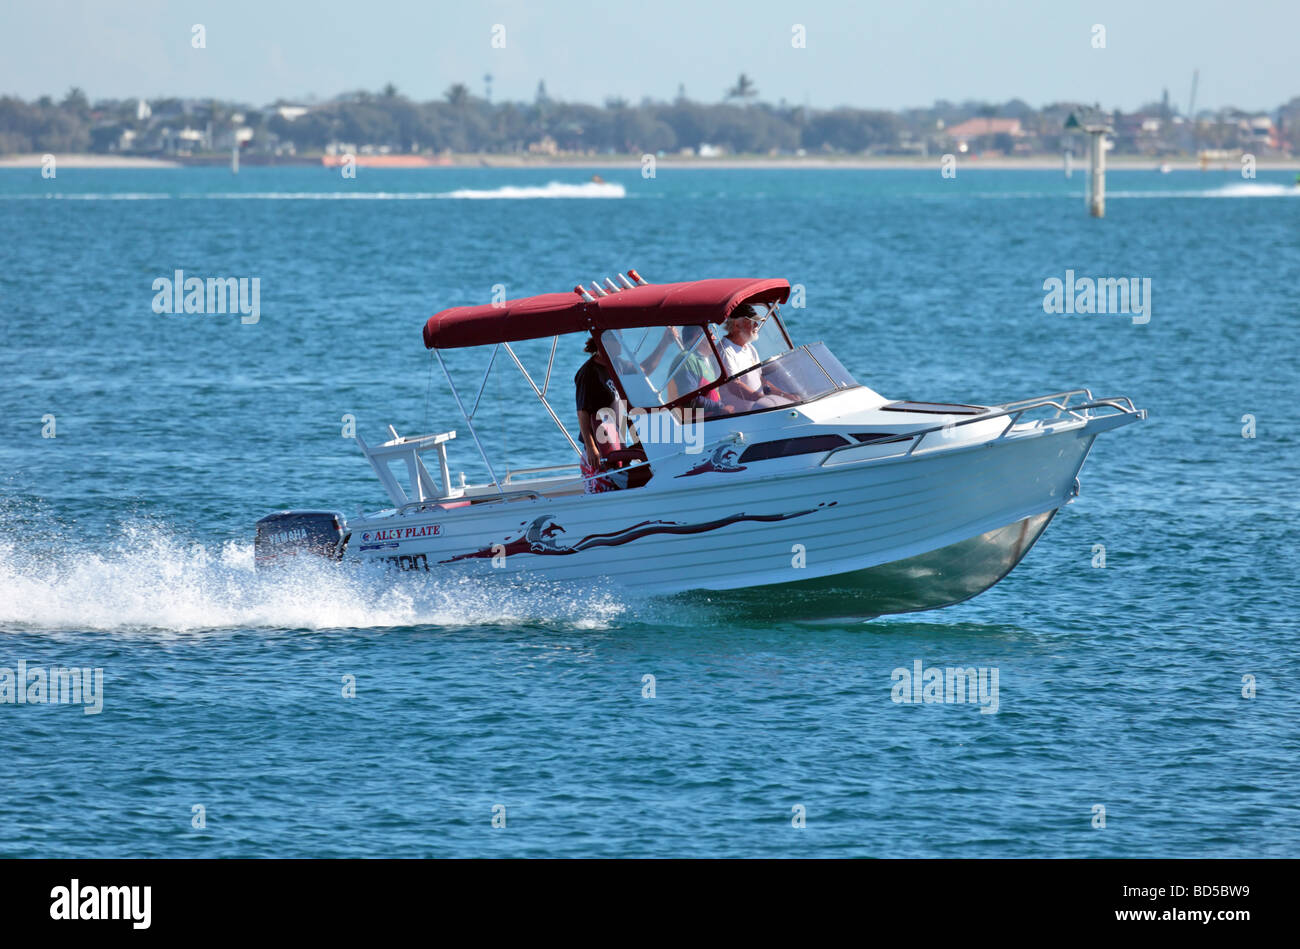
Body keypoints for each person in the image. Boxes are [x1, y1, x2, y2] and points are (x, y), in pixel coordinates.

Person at [574, 335, 629, 492]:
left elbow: (644, 369)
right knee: (601, 493)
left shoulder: (615, 364)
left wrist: (664, 343)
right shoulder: (588, 373)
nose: (622, 344)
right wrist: (591, 447)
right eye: (618, 341)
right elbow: (582, 411)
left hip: (614, 440)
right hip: (598, 448)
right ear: (605, 343)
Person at [716, 305, 795, 412]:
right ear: (737, 325)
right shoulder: (725, 351)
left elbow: (760, 380)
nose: (757, 325)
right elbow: (734, 385)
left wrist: (786, 396)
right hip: (738, 416)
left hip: (757, 411)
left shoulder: (750, 348)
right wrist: (764, 399)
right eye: (753, 322)